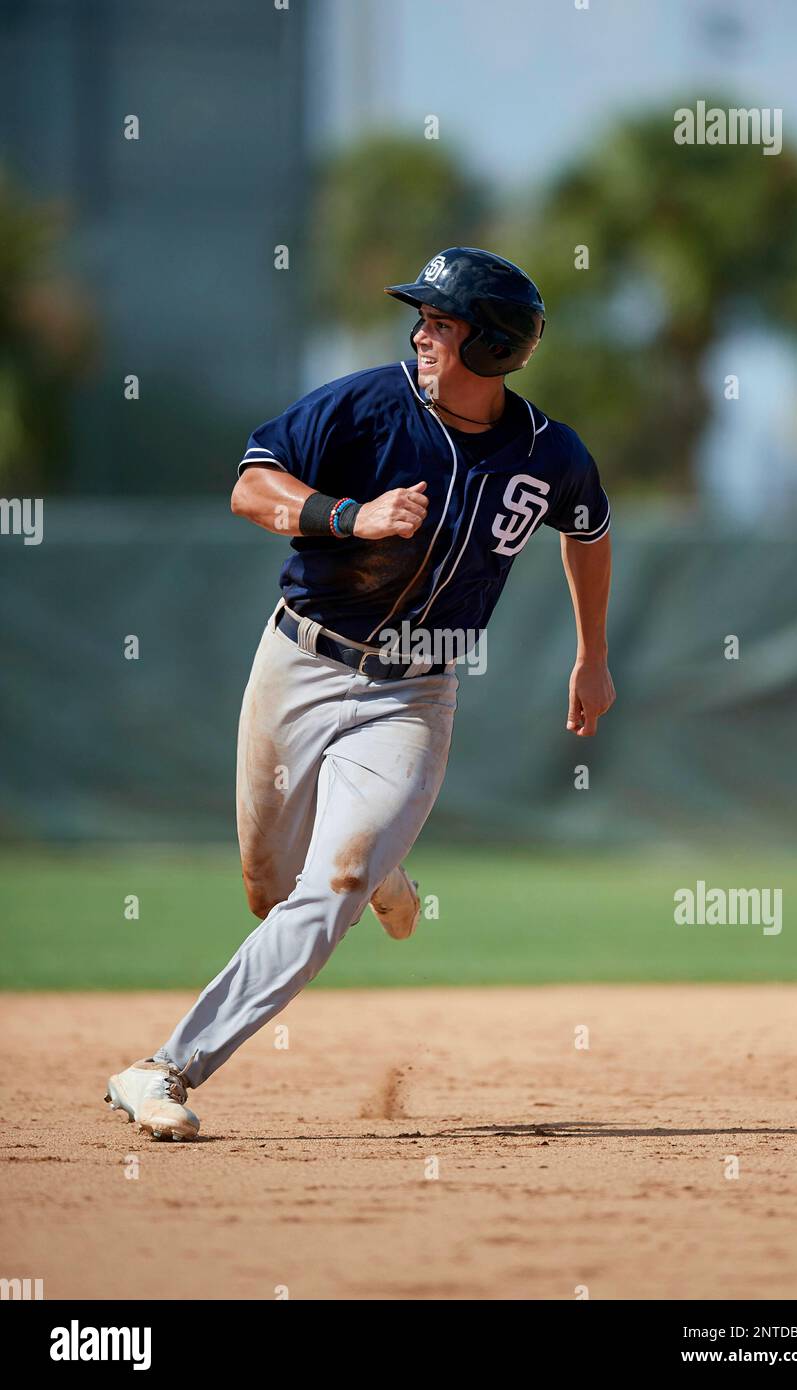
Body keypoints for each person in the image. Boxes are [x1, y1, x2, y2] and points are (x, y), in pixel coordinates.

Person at [104, 247, 615, 1140]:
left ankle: (162, 1069)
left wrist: (594, 652)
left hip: (413, 695)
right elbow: (250, 487)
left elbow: (589, 528)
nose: (421, 333)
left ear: (492, 347)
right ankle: (386, 866)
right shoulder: (367, 404)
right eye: (422, 318)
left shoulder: (549, 454)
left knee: (329, 886)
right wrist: (350, 517)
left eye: (443, 323)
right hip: (300, 662)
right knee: (270, 889)